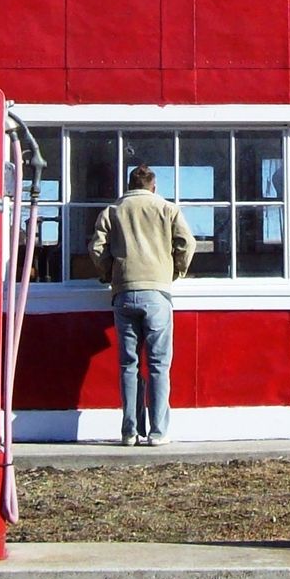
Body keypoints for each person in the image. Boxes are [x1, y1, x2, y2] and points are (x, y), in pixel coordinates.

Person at [88, 164, 195, 445]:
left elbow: (97, 248)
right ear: (153, 186)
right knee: (159, 364)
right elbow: (187, 242)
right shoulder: (167, 209)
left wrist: (108, 273)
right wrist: (175, 271)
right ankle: (158, 432)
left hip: (124, 291)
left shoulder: (113, 211)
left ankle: (130, 431)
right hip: (157, 291)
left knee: (128, 364)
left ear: (129, 184)